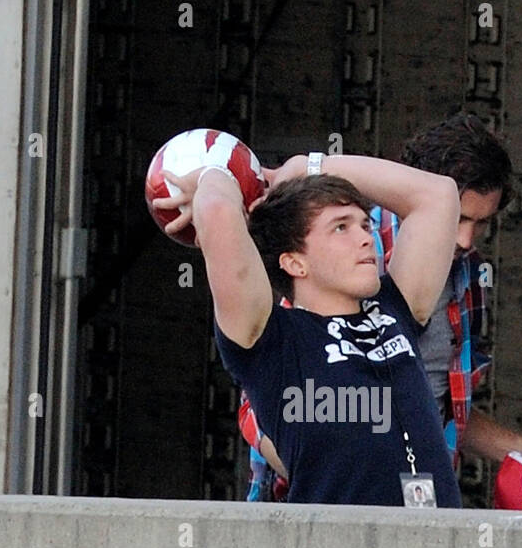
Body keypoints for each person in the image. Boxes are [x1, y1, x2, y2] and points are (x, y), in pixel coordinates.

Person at [239, 113, 522, 502]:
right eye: (459, 218)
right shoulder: (348, 257)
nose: (466, 239)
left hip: (424, 510)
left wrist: (521, 448)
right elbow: (258, 410)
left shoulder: (469, 276)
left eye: (481, 223)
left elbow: (438, 405)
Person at [153, 151, 463, 507]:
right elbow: (220, 213)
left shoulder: (396, 307)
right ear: (294, 262)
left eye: (364, 225)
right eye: (341, 227)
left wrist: (306, 167)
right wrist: (217, 172)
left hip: (437, 541)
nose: (365, 238)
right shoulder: (271, 341)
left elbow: (438, 195)